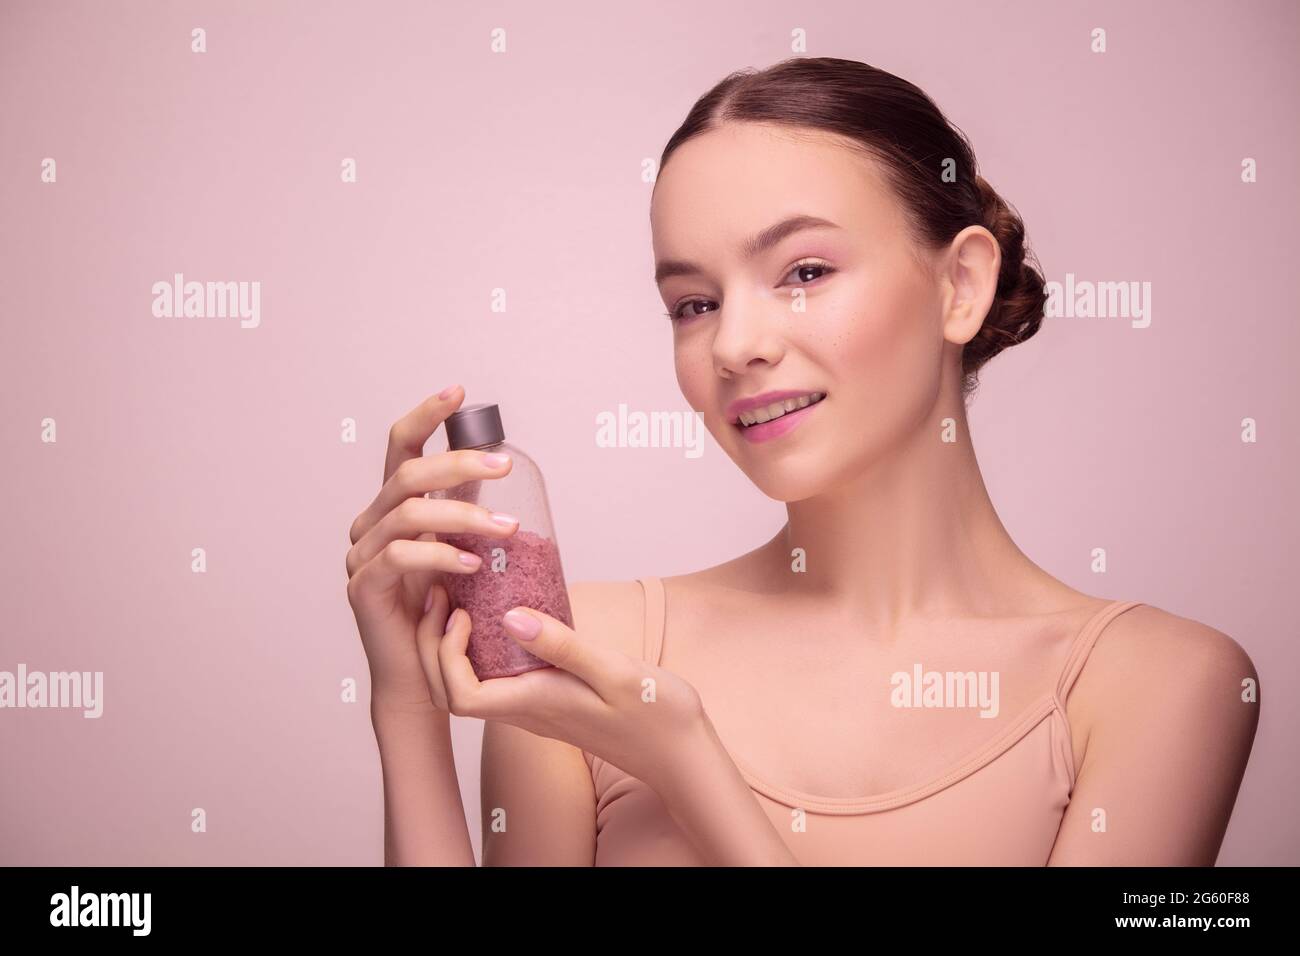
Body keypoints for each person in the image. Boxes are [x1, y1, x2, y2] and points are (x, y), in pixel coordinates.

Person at [345, 57, 1259, 866]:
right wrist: (408, 709)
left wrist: (689, 768)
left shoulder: (1159, 685)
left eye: (805, 272)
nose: (736, 344)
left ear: (961, 285)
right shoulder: (590, 652)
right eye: (693, 303)